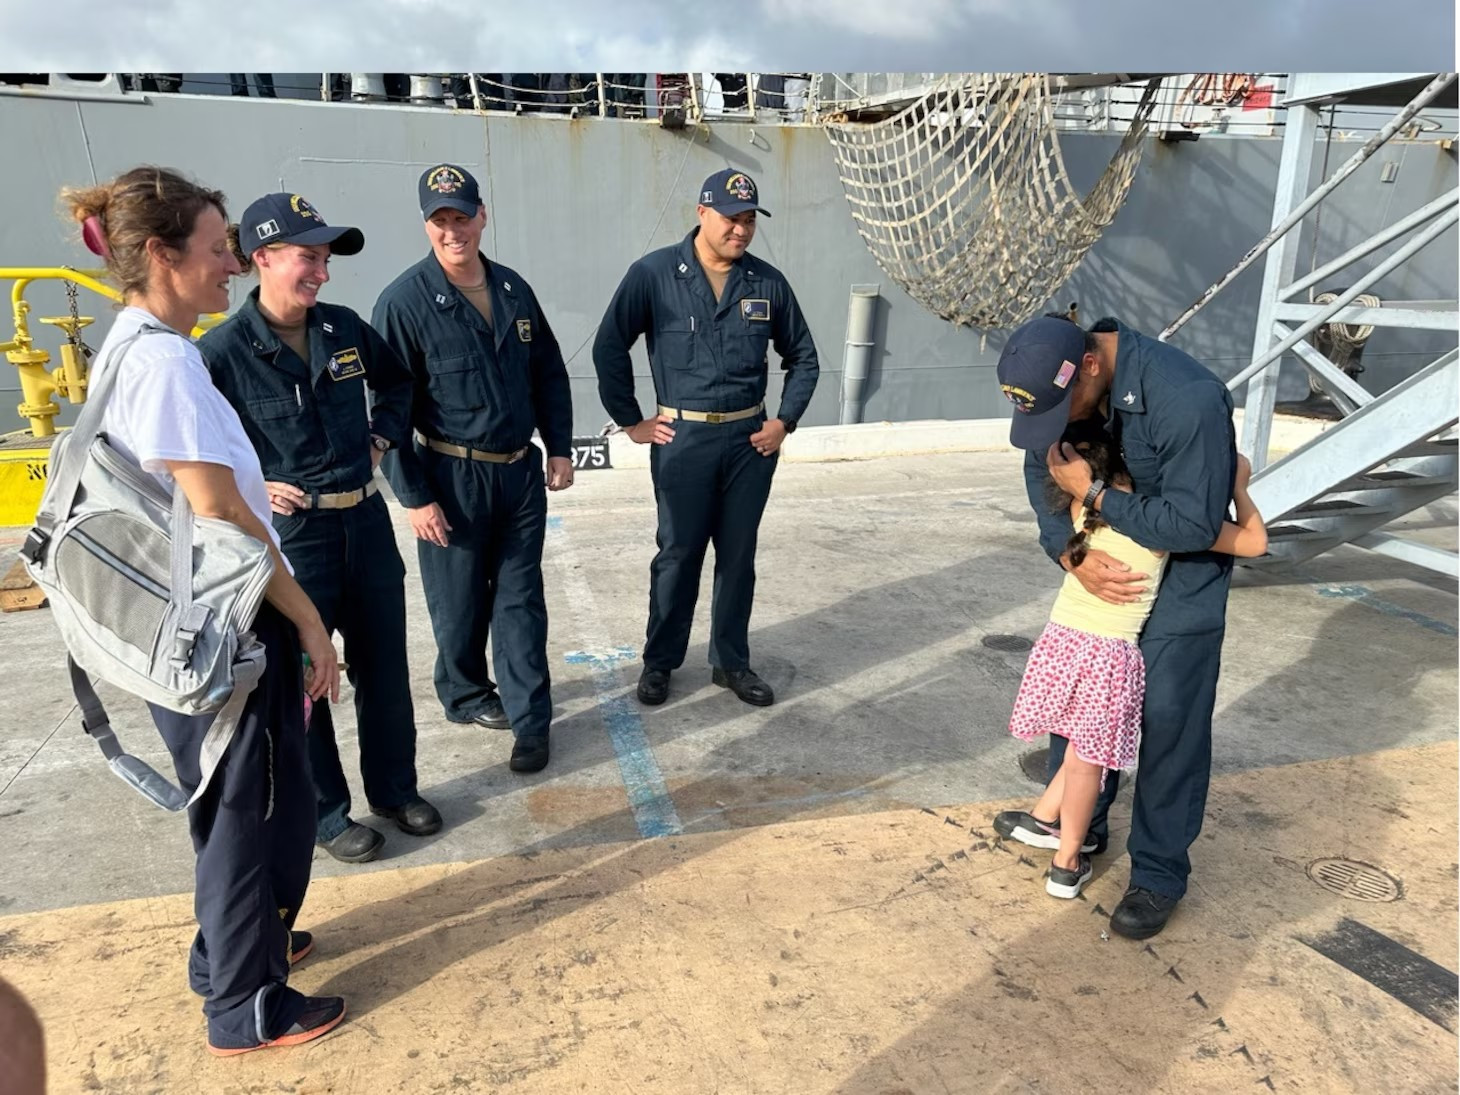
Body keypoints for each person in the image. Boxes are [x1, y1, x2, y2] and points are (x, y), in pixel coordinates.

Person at [61, 166, 344, 1053]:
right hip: (225, 620)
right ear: (162, 254)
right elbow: (218, 512)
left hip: (186, 620)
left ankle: (234, 946)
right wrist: (304, 618)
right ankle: (244, 1005)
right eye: (219, 250)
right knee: (250, 809)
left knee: (252, 798)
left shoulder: (130, 346)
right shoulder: (167, 361)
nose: (231, 266)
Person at [198, 192, 441, 865]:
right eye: (309, 258)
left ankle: (395, 790)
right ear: (263, 257)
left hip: (363, 520)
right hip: (293, 539)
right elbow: (194, 450)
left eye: (325, 259)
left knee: (384, 671)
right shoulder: (221, 353)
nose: (323, 273)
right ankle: (329, 812)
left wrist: (382, 440)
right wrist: (250, 478)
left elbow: (400, 389)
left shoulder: (345, 329)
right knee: (308, 674)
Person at [994, 313, 1241, 938]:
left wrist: (1097, 495)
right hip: (1104, 564)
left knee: (1167, 719)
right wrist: (1069, 552)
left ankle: (1157, 875)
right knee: (1084, 698)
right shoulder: (1065, 388)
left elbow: (1193, 524)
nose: (1058, 424)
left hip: (1182, 572)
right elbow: (1043, 465)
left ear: (1094, 365)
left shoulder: (1186, 396)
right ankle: (1078, 826)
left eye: (1061, 409)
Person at [373, 164, 574, 774]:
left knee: (520, 599)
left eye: (462, 217)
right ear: (426, 226)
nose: (453, 231)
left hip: (517, 476)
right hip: (450, 479)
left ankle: (530, 721)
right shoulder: (403, 303)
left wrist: (559, 447)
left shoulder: (513, 291)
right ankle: (463, 692)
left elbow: (548, 373)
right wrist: (413, 495)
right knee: (458, 605)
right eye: (440, 221)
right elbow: (387, 411)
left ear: (482, 215)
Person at [593, 169, 820, 708]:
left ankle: (731, 663)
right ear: (702, 213)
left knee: (738, 557)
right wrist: (632, 421)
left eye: (748, 221)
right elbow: (609, 348)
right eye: (730, 219)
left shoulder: (767, 283)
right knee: (678, 555)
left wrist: (783, 421)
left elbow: (805, 358)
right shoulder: (652, 275)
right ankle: (660, 663)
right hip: (683, 440)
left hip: (749, 443)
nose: (740, 231)